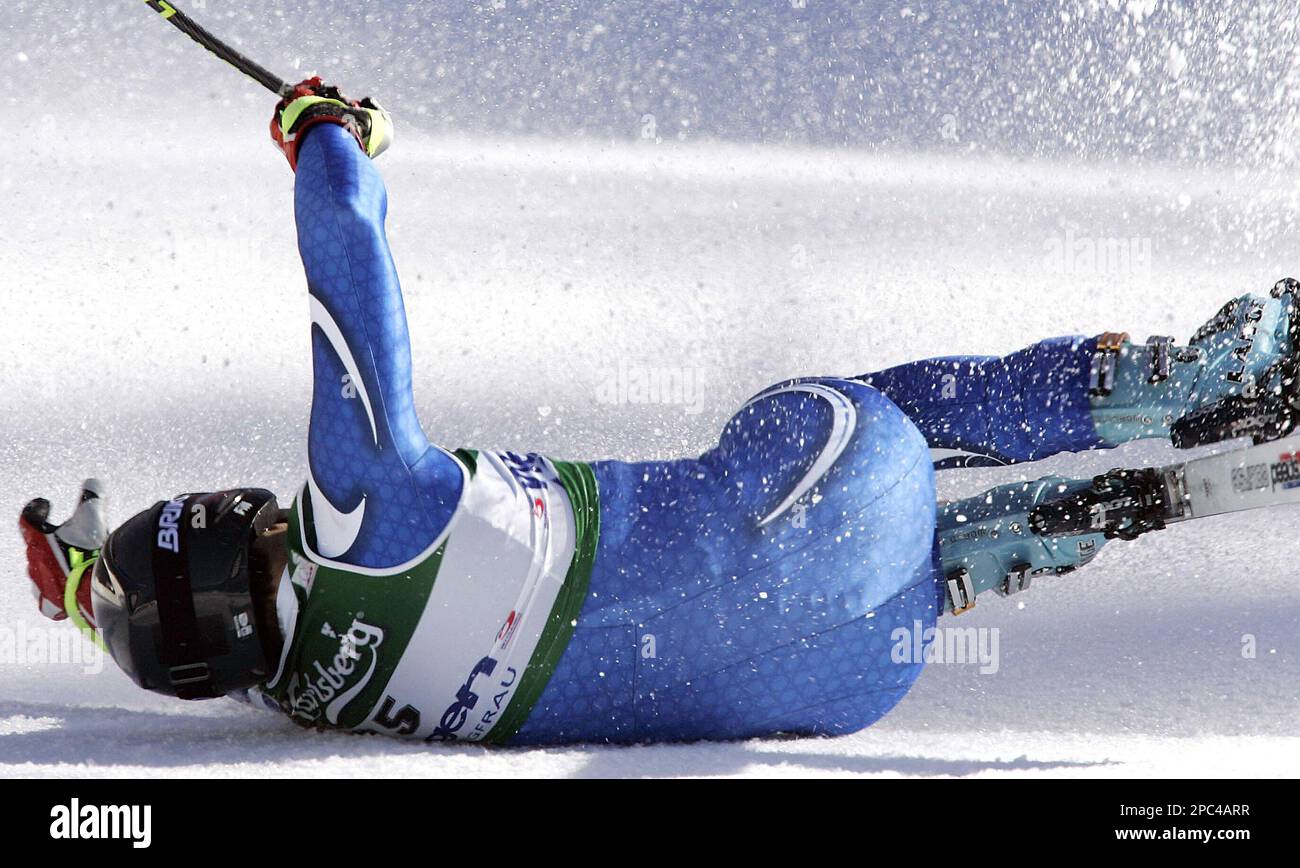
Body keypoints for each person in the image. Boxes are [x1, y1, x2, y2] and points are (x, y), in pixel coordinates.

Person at [18, 80, 1300, 745]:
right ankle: (1179, 382)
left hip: (849, 677)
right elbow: (344, 260)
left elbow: (169, 629)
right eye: (254, 525)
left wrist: (83, 583)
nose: (277, 518)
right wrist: (326, 130)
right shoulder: (366, 517)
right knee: (873, 414)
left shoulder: (295, 693)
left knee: (864, 570)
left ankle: (1020, 540)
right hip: (820, 500)